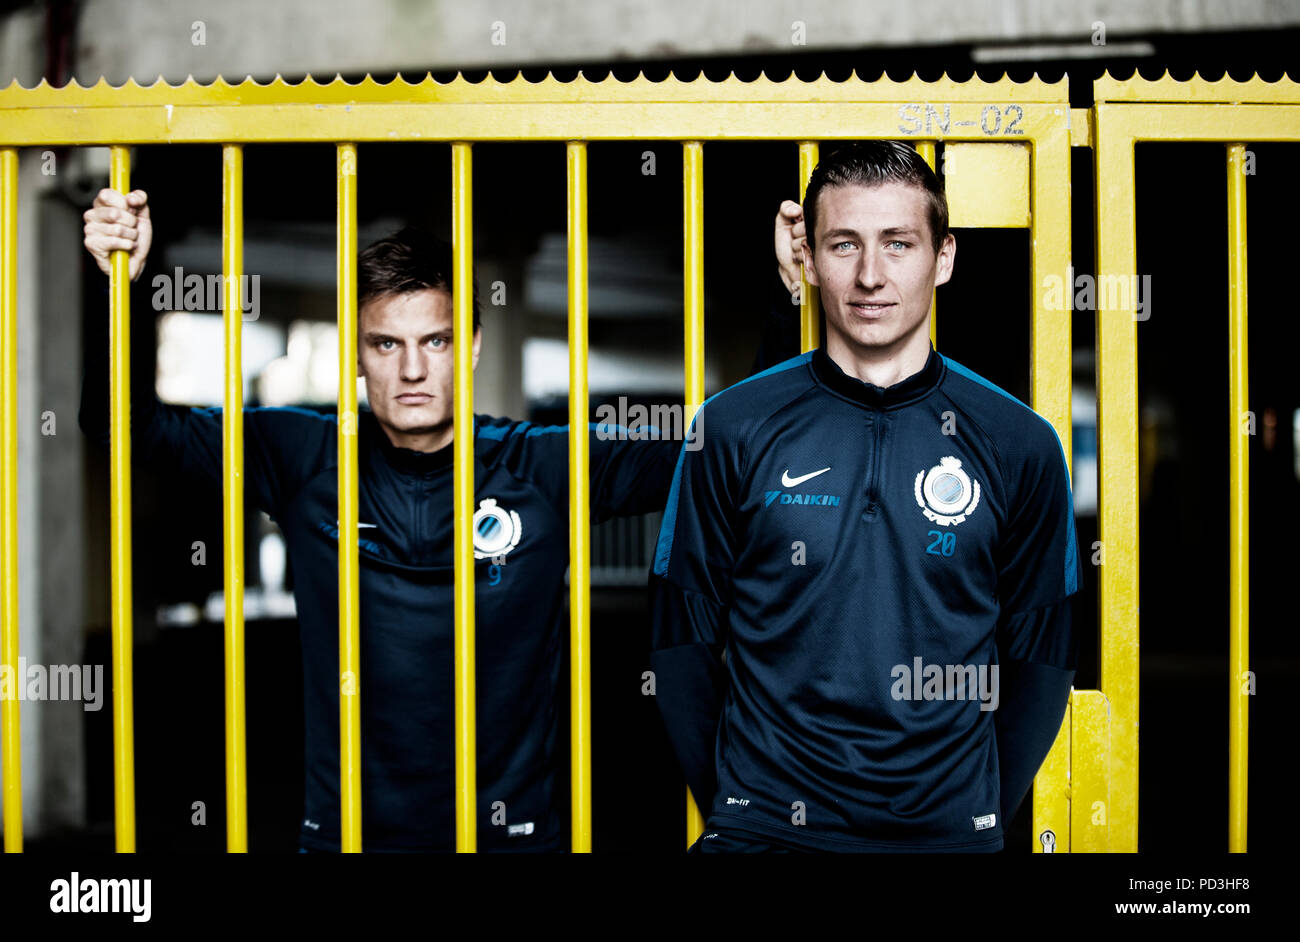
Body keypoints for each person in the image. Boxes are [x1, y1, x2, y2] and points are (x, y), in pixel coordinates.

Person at [80, 188, 692, 852]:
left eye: (437, 340)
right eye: (386, 343)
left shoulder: (542, 466)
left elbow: (732, 455)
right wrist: (119, 286)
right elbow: (120, 428)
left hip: (510, 843)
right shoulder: (305, 457)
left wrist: (788, 301)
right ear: (357, 355)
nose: (412, 369)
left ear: (474, 346)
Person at [650, 140, 1080, 852]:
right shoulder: (730, 428)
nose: (871, 276)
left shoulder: (1019, 443)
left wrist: (973, 815)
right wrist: (737, 808)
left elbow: (1043, 653)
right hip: (765, 831)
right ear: (809, 261)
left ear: (943, 258)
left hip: (945, 836)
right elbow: (680, 638)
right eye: (844, 244)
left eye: (899, 243)